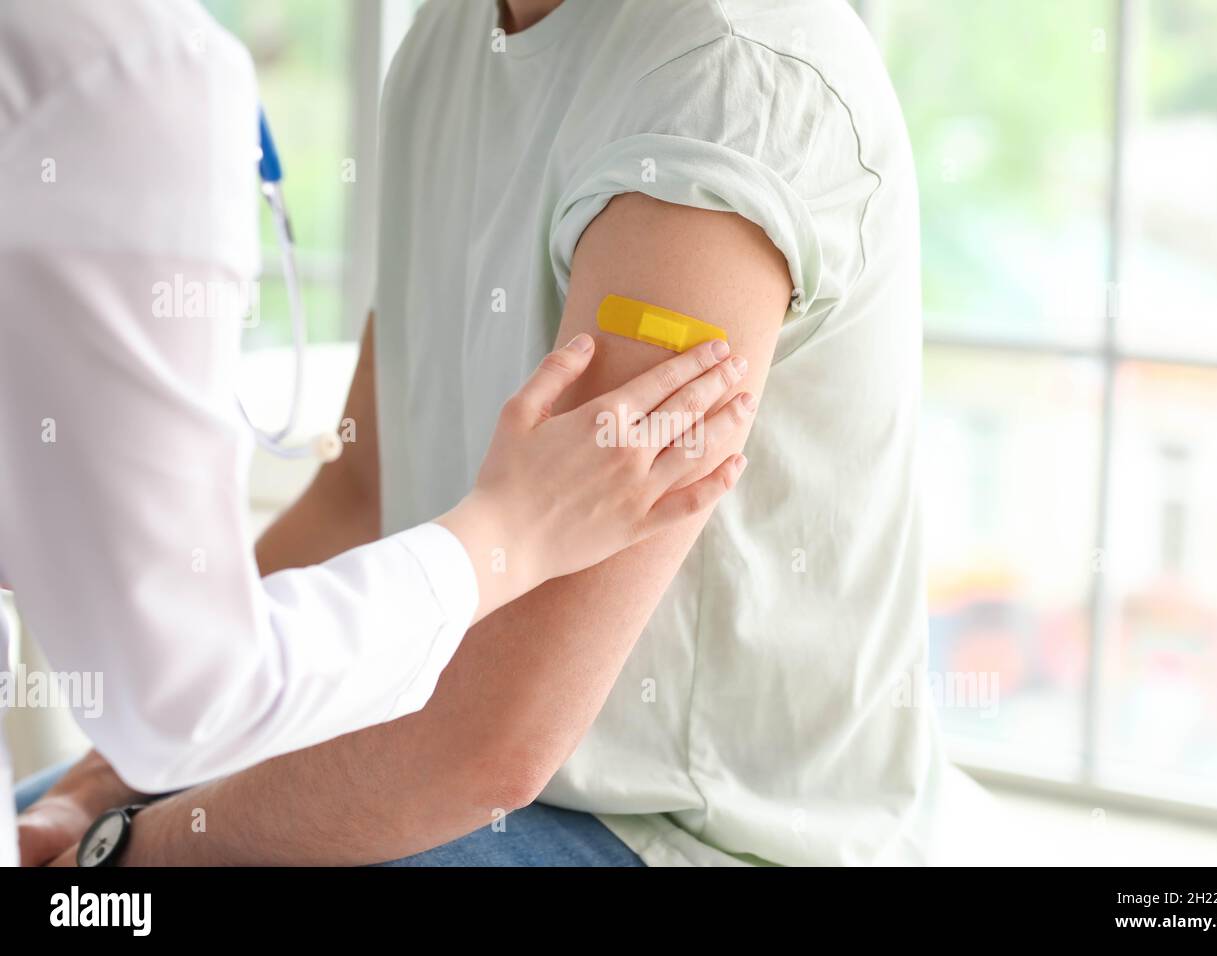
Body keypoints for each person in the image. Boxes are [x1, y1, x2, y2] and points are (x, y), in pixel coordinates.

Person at [17, 0, 998, 867]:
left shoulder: (724, 81)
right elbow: (359, 493)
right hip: (446, 749)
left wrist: (128, 847)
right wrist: (113, 777)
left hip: (676, 827)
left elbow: (493, 745)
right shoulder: (449, 37)